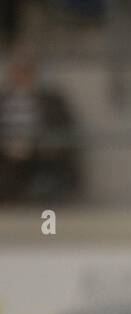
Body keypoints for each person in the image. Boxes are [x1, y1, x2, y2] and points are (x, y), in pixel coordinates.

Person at [0, 51, 81, 204]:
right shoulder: (3, 99)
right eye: (17, 72)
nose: (21, 76)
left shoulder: (52, 99)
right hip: (6, 152)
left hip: (41, 150)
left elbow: (63, 128)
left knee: (48, 168)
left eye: (25, 72)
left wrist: (33, 144)